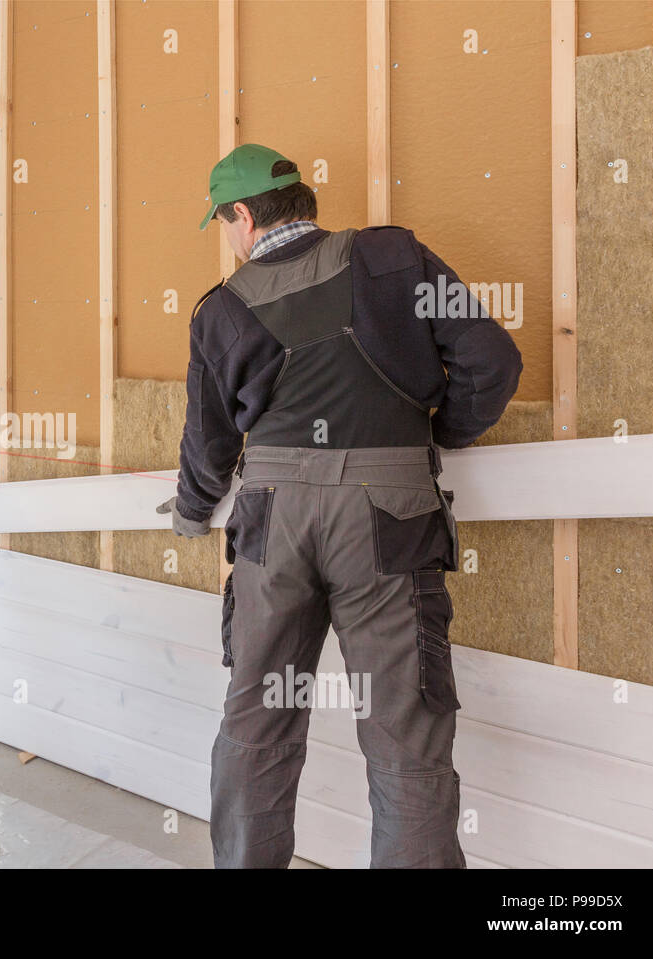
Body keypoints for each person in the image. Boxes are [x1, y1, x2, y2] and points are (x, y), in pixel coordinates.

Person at [157, 143, 522, 868]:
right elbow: (492, 361)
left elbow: (208, 443)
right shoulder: (396, 260)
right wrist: (432, 432)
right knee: (404, 730)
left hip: (272, 524)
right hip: (388, 519)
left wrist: (191, 510)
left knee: (258, 720)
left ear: (241, 215)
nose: (229, 240)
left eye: (224, 224)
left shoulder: (222, 310)